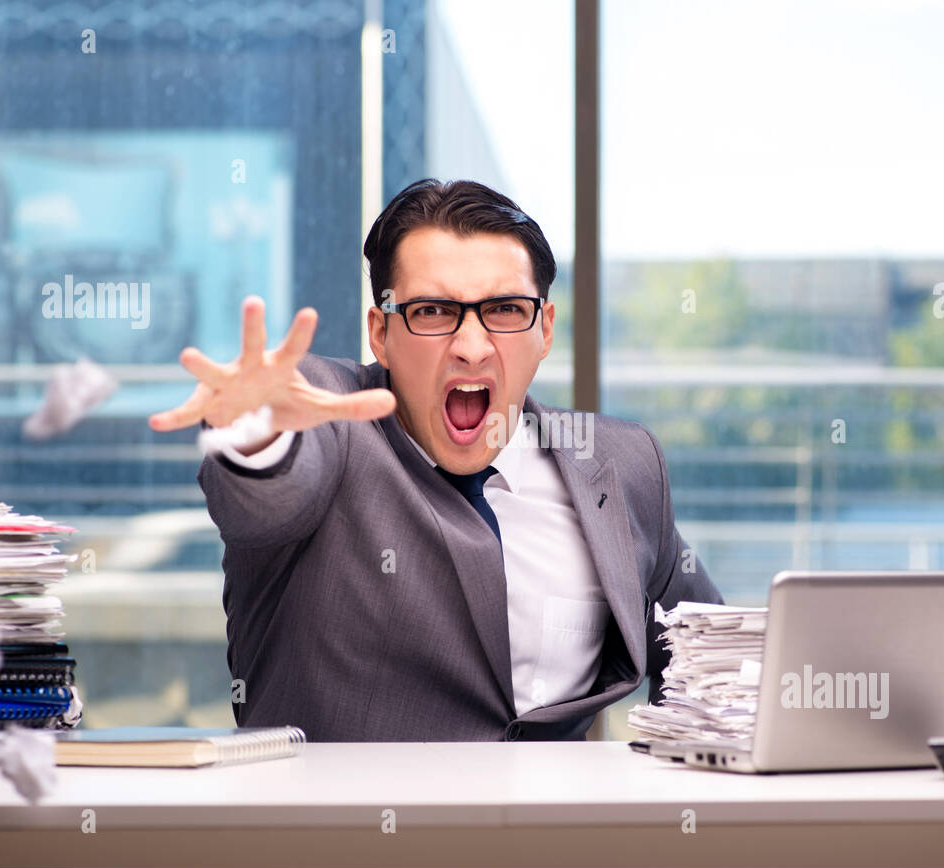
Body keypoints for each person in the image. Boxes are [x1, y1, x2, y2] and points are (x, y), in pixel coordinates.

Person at [149, 178, 724, 741]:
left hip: (557, 833)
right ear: (381, 333)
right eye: (431, 311)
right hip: (343, 833)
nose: (471, 346)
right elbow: (269, 492)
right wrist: (255, 432)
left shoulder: (622, 464)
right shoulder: (335, 418)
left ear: (545, 330)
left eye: (503, 309)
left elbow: (711, 666)